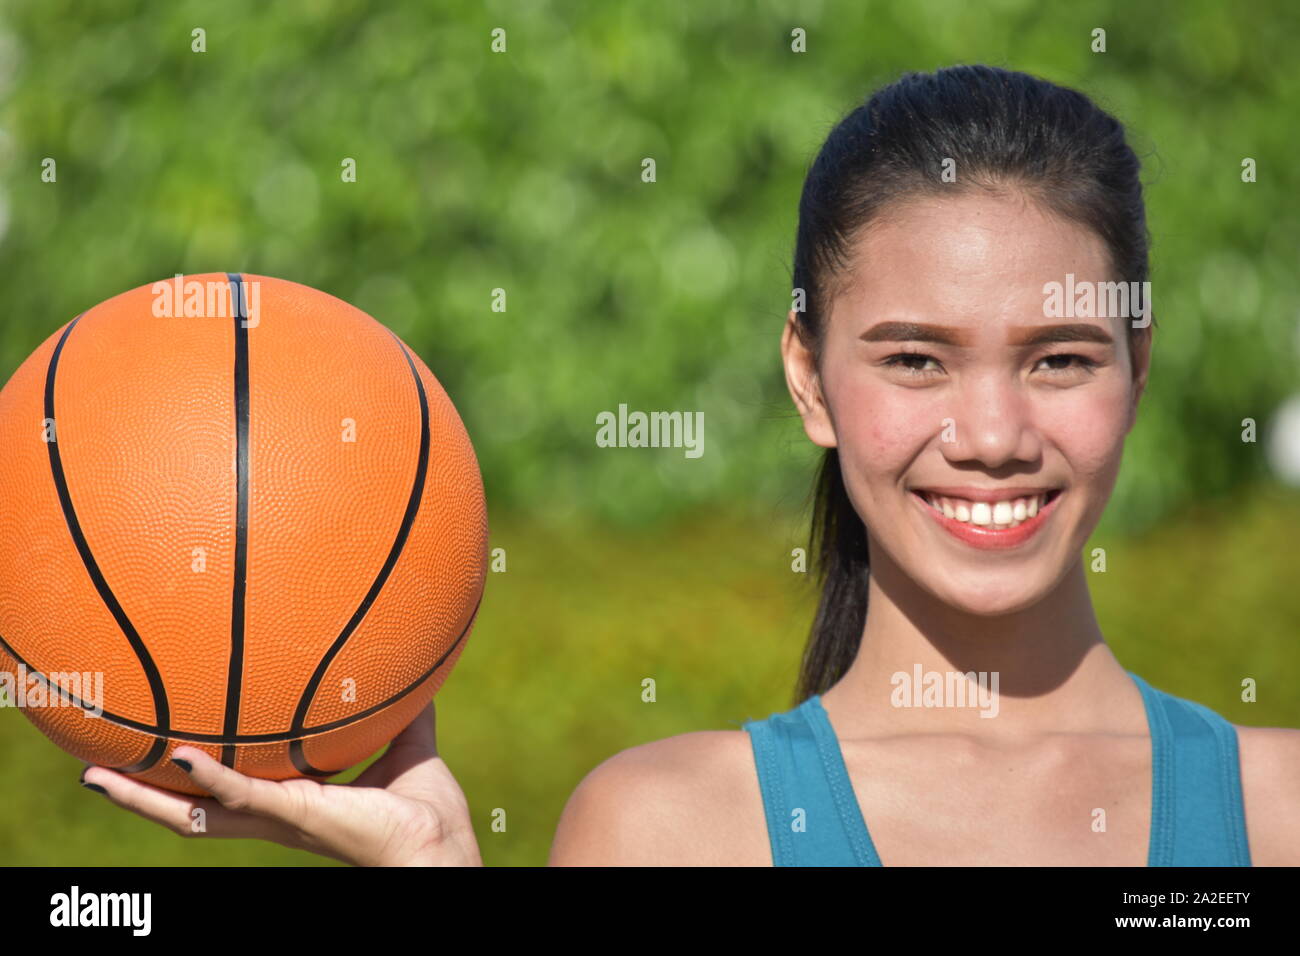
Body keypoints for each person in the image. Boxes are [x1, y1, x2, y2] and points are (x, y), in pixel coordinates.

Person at [79, 65, 1300, 866]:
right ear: (809, 375)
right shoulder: (666, 828)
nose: (989, 432)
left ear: (1137, 366)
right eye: (916, 359)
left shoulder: (1280, 813)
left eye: (1058, 358)